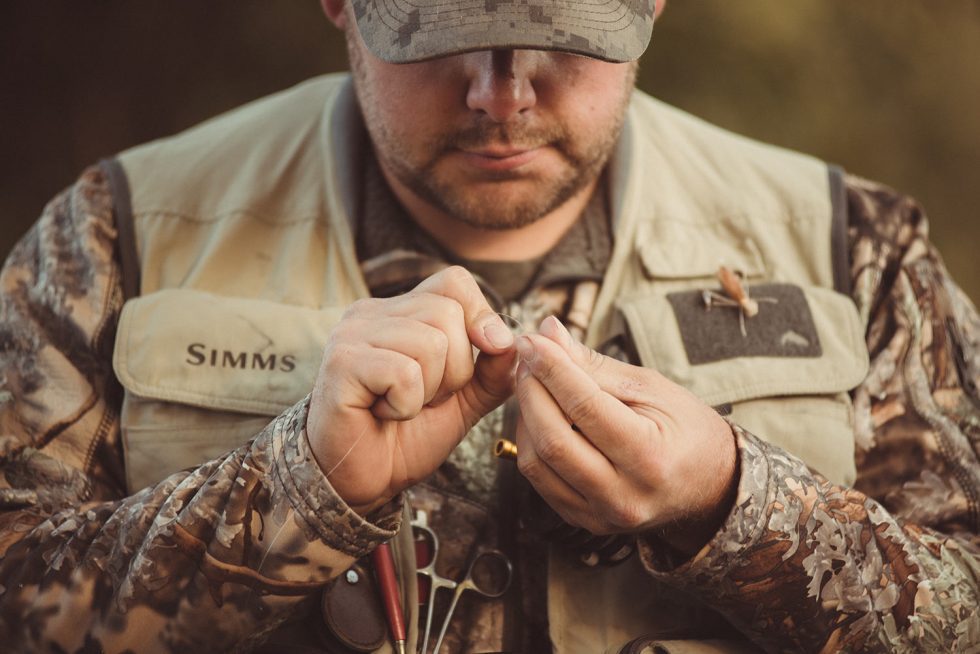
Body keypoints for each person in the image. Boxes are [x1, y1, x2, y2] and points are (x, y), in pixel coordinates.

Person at [0, 0, 978, 651]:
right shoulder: (121, 235)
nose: (501, 97)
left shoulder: (850, 246)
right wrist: (296, 491)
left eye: (562, 29)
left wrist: (732, 502)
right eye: (439, 31)